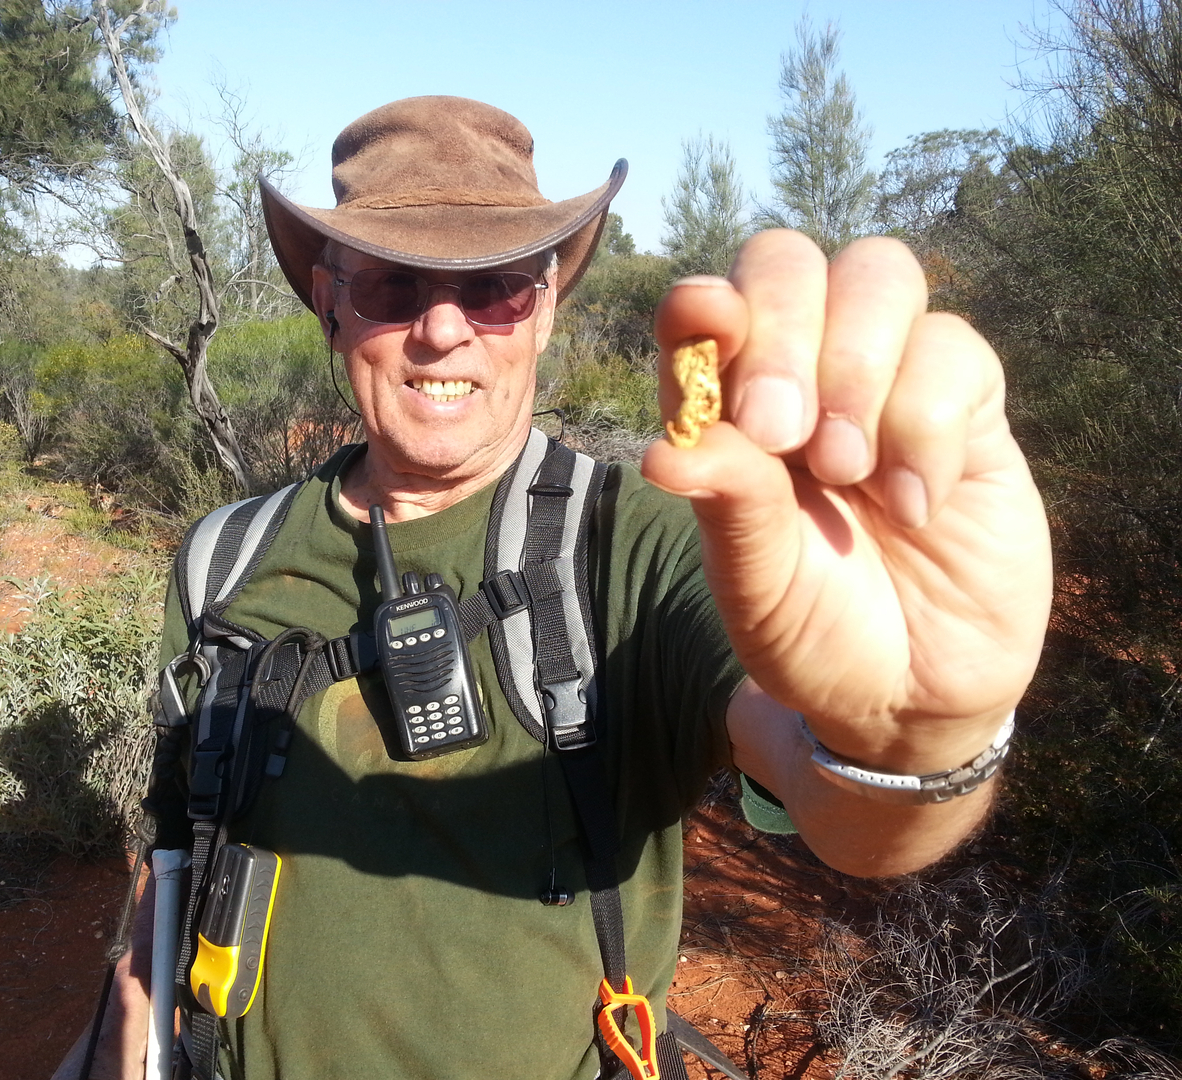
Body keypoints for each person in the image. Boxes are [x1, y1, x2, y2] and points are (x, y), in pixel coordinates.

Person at [52, 96, 1051, 1080]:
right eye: (395, 286)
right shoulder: (222, 558)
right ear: (331, 305)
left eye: (494, 289)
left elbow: (835, 803)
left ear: (546, 311)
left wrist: (917, 735)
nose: (444, 332)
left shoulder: (642, 542)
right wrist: (115, 1044)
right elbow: (175, 848)